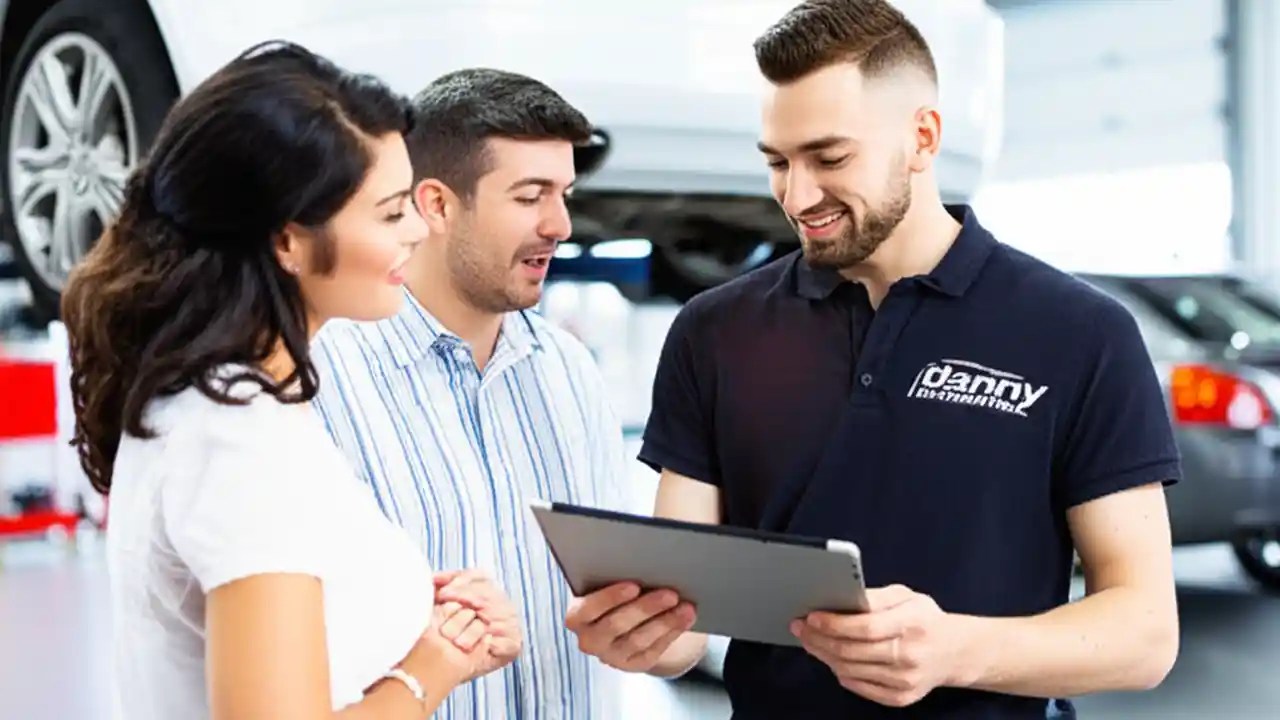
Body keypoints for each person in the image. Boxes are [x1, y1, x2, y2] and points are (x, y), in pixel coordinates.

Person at [564, 1, 1182, 718]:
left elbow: (1144, 632)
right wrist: (643, 634)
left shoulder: (1081, 334)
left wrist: (956, 650)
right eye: (777, 162)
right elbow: (686, 618)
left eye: (829, 158)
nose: (798, 196)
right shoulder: (714, 332)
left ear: (923, 138)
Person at [60, 42, 522, 720]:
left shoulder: (219, 399)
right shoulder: (240, 440)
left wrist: (400, 605)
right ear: (288, 241)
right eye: (392, 212)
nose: (421, 230)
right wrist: (432, 671)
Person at [310, 68, 627, 720]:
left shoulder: (571, 374)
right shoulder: (324, 380)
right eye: (530, 195)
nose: (561, 224)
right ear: (437, 206)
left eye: (564, 194)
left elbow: (623, 604)